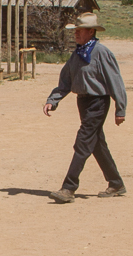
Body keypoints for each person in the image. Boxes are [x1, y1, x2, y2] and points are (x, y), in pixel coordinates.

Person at [41, 11, 127, 203]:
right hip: (83, 102)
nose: (76, 34)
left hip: (98, 102)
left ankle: (68, 187)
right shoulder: (78, 54)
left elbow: (116, 82)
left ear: (90, 32)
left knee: (83, 141)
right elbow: (66, 80)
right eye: (75, 31)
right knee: (96, 143)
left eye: (80, 31)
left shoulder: (101, 52)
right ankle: (116, 183)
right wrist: (52, 100)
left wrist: (120, 109)